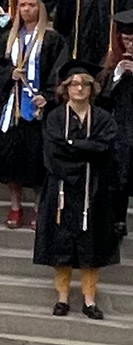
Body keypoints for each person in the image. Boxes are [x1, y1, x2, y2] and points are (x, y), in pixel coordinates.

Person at [34, 58, 121, 320]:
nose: (80, 88)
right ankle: (62, 298)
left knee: (90, 245)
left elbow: (105, 149)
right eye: (74, 84)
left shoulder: (103, 119)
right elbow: (53, 153)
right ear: (66, 88)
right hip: (61, 188)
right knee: (61, 242)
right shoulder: (55, 117)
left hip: (93, 189)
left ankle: (89, 300)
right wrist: (85, 150)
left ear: (92, 88)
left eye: (85, 84)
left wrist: (73, 145)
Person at [0, 0, 68, 229]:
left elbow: (60, 71)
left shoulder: (52, 39)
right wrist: (8, 75)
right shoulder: (7, 38)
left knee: (37, 161)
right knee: (10, 159)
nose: (26, 9)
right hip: (11, 109)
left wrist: (47, 95)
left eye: (31, 4)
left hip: (38, 110)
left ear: (40, 8)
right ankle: (15, 206)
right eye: (22, 5)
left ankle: (37, 207)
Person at [99, 9, 133, 238]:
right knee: (119, 177)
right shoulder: (113, 65)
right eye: (126, 39)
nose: (129, 44)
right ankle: (118, 221)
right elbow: (102, 100)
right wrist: (118, 77)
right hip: (121, 132)